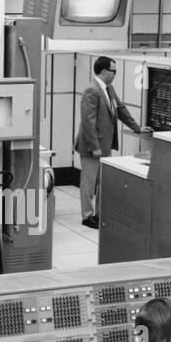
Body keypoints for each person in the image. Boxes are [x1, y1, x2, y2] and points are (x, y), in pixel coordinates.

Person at [74, 56, 146, 229]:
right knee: (89, 182)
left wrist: (137, 128)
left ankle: (99, 213)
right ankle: (87, 215)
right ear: (104, 71)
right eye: (114, 71)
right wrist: (94, 147)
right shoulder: (91, 90)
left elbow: (120, 109)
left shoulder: (108, 88)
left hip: (104, 145)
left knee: (101, 182)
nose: (115, 74)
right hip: (93, 146)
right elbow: (88, 121)